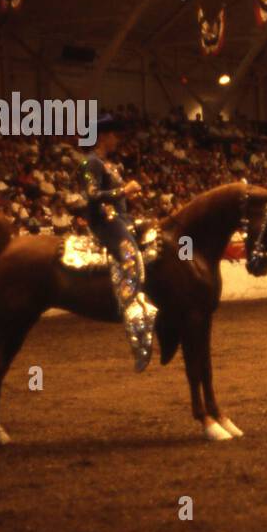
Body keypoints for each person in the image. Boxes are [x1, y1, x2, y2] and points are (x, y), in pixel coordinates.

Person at [77, 125, 157, 371]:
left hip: (120, 219)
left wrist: (129, 196)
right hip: (104, 221)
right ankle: (132, 315)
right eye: (114, 135)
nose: (117, 139)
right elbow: (91, 195)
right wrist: (124, 190)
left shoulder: (109, 165)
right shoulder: (89, 163)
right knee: (129, 255)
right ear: (103, 136)